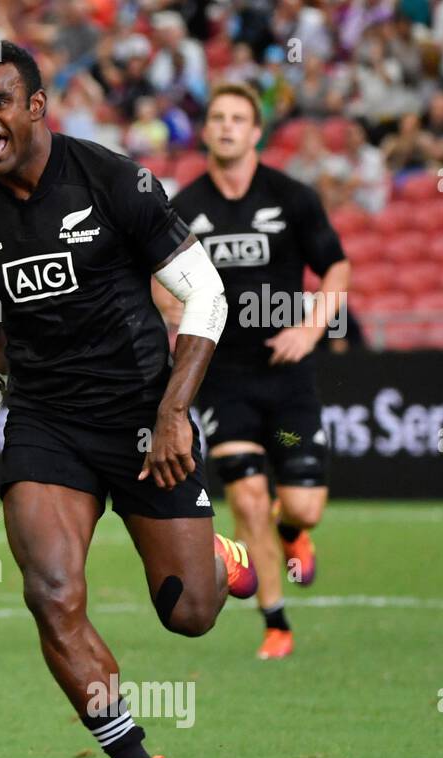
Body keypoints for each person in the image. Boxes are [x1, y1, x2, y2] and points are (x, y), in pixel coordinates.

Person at [0, 42, 256, 758]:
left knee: (190, 614)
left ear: (37, 106)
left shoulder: (115, 181)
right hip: (47, 423)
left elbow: (207, 295)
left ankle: (217, 556)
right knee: (51, 592)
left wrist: (174, 411)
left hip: (146, 418)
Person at [160, 84, 350, 661]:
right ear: (207, 130)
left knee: (302, 504)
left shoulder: (292, 197)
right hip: (223, 378)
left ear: (256, 132)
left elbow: (336, 268)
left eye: (238, 118)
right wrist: (182, 325)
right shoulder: (183, 208)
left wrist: (311, 329)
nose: (225, 126)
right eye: (216, 117)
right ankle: (276, 620)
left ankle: (293, 530)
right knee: (244, 495)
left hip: (288, 378)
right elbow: (159, 281)